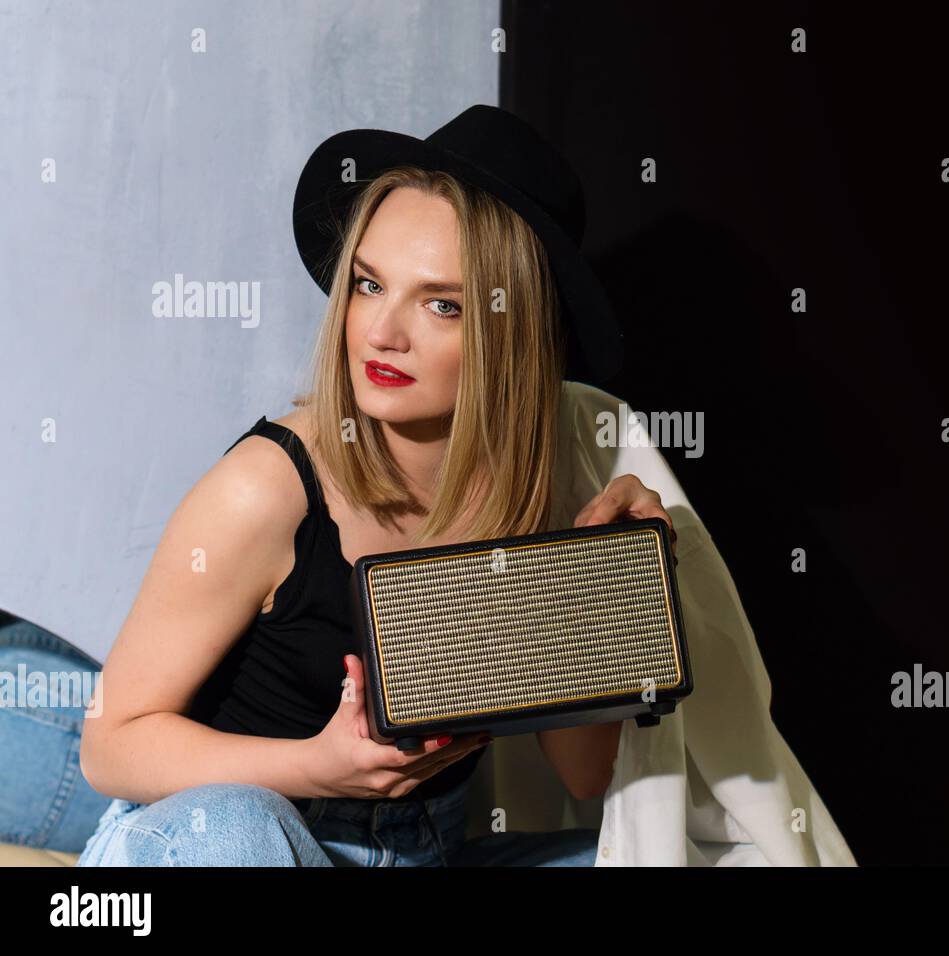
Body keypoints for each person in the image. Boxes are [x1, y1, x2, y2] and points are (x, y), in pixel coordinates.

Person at [75, 105, 676, 866]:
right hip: (224, 835)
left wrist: (611, 588)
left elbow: (587, 777)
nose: (382, 332)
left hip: (418, 853)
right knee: (238, 832)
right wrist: (321, 767)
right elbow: (109, 746)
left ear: (514, 331)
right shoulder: (265, 489)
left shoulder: (536, 496)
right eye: (368, 284)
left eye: (441, 304)